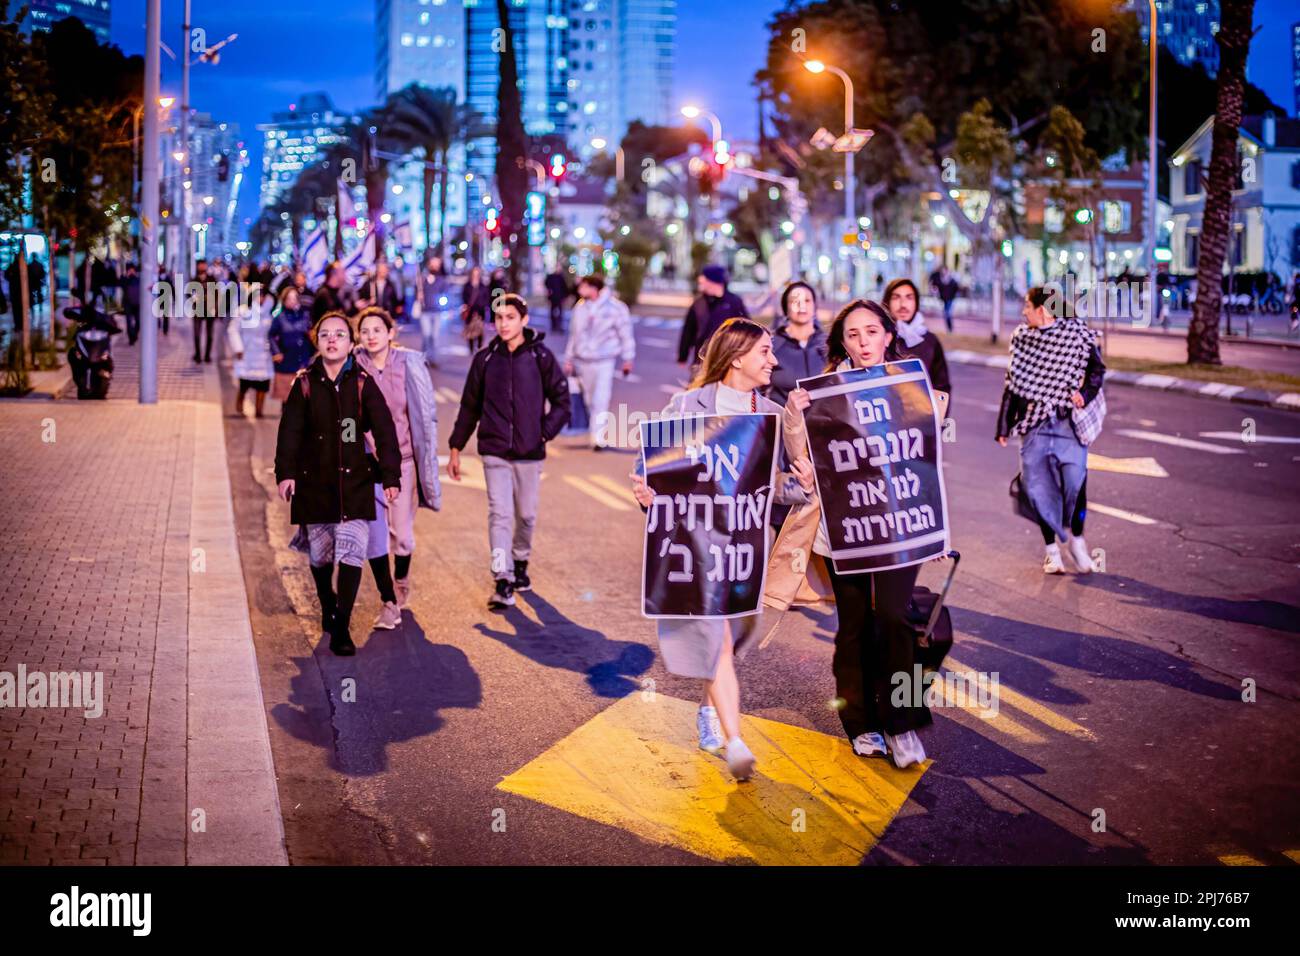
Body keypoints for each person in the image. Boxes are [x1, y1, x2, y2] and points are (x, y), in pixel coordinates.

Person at [630, 318, 815, 782]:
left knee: (731, 637)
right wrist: (646, 491)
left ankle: (710, 708)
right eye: (765, 353)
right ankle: (731, 737)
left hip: (744, 548)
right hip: (696, 546)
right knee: (720, 640)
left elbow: (772, 487)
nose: (774, 360)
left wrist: (800, 486)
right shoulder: (688, 405)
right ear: (737, 358)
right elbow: (650, 466)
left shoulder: (769, 414)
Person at [772, 300, 936, 769]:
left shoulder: (909, 385)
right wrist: (795, 415)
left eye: (872, 332)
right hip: (842, 531)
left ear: (888, 334)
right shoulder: (822, 392)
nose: (864, 342)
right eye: (853, 335)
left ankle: (902, 723)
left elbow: (926, 460)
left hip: (900, 530)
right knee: (854, 630)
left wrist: (933, 527)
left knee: (894, 618)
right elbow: (802, 460)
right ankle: (861, 723)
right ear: (842, 342)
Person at [275, 311, 402, 656]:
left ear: (350, 343)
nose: (333, 340)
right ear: (317, 340)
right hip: (314, 483)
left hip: (354, 484)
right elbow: (289, 434)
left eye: (340, 335)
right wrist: (284, 473)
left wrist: (391, 475)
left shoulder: (361, 383)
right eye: (326, 334)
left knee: (351, 553)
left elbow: (385, 432)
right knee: (320, 556)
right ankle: (326, 600)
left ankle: (342, 626)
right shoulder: (304, 383)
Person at [447, 293, 570, 609]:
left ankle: (520, 563)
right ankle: (502, 578)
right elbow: (469, 406)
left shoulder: (541, 358)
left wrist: (543, 433)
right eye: (499, 318)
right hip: (494, 451)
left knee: (526, 516)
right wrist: (456, 447)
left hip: (530, 452)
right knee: (499, 515)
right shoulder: (486, 360)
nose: (503, 324)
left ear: (524, 320)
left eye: (510, 318)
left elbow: (562, 401)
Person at [995, 286, 1105, 575]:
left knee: (1076, 485)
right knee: (1040, 487)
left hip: (1069, 423)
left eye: (1027, 307)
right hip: (1035, 424)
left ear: (1041, 310)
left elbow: (1097, 371)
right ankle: (1051, 552)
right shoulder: (1022, 339)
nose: (1023, 312)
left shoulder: (1078, 334)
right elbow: (1012, 386)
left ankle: (1077, 543)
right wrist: (1004, 426)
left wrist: (1086, 394)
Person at [353, 306, 443, 625]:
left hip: (403, 461)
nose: (371, 336)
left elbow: (424, 414)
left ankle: (401, 581)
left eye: (377, 329)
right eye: (364, 331)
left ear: (391, 333)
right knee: (376, 536)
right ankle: (388, 600)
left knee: (401, 536)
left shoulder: (408, 363)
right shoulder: (353, 364)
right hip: (366, 464)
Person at [562, 274, 635, 451]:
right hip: (582, 361)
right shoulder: (580, 308)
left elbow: (625, 333)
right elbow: (574, 335)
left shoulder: (615, 308)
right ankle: (593, 431)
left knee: (600, 399)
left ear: (594, 288)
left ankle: (598, 438)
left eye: (584, 286)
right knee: (587, 399)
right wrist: (569, 358)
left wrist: (628, 358)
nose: (580, 290)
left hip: (604, 360)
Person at [884, 277, 952, 395]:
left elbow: (942, 387)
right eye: (896, 297)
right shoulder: (879, 338)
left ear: (916, 302)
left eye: (909, 297)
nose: (903, 304)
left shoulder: (930, 341)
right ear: (887, 302)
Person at [766, 280, 828, 408]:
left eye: (807, 300)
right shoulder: (771, 344)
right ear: (785, 308)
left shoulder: (828, 343)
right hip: (784, 421)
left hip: (823, 422)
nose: (801, 306)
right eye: (795, 301)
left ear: (815, 306)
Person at [677, 264, 749, 368]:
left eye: (704, 278)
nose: (700, 280)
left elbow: (746, 329)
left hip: (726, 360)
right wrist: (683, 356)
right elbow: (688, 331)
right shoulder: (698, 303)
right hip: (701, 360)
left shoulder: (734, 302)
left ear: (713, 281)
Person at [227, 286, 276, 418]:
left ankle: (259, 409)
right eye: (258, 295)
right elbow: (233, 330)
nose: (261, 298)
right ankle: (240, 401)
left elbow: (273, 333)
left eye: (263, 295)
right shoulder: (243, 312)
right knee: (245, 382)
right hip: (247, 352)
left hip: (263, 354)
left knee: (263, 383)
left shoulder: (269, 313)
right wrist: (238, 348)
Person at [269, 286, 315, 402]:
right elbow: (271, 335)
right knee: (287, 399)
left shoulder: (305, 316)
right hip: (286, 361)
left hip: (302, 361)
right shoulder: (280, 317)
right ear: (284, 300)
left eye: (294, 298)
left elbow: (311, 333)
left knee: (302, 398)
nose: (292, 301)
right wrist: (276, 352)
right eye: (289, 298)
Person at [414, 256, 450, 367]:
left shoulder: (442, 280)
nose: (435, 266)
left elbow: (445, 294)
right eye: (433, 264)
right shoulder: (422, 279)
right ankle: (423, 358)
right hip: (425, 311)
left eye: (437, 264)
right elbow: (417, 293)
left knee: (434, 336)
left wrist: (444, 304)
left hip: (437, 312)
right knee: (426, 335)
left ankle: (432, 359)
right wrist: (418, 294)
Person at [192, 259, 219, 363]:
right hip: (198, 310)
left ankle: (207, 355)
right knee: (197, 333)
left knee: (210, 335)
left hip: (210, 310)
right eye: (200, 265)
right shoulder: (194, 280)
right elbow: (190, 293)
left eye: (204, 264)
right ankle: (198, 355)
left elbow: (217, 294)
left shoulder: (212, 279)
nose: (202, 267)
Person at [460, 264, 490, 353]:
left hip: (480, 311)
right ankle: (471, 348)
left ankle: (479, 346)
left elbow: (486, 297)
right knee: (470, 329)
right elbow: (464, 297)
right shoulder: (467, 285)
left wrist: (483, 306)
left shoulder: (483, 286)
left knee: (480, 329)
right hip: (470, 311)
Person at [928, 265, 960, 333]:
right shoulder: (939, 279)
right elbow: (933, 284)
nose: (943, 271)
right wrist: (934, 291)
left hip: (950, 298)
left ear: (946, 270)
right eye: (942, 270)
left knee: (947, 313)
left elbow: (956, 287)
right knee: (946, 314)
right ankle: (949, 328)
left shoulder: (951, 279)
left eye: (944, 270)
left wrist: (955, 295)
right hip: (944, 299)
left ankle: (950, 329)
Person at [544, 266, 571, 332]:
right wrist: (549, 292)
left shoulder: (561, 277)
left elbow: (565, 287)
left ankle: (559, 326)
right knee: (552, 312)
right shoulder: (551, 277)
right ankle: (553, 326)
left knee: (560, 313)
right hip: (553, 298)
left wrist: (565, 297)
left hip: (560, 298)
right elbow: (546, 284)